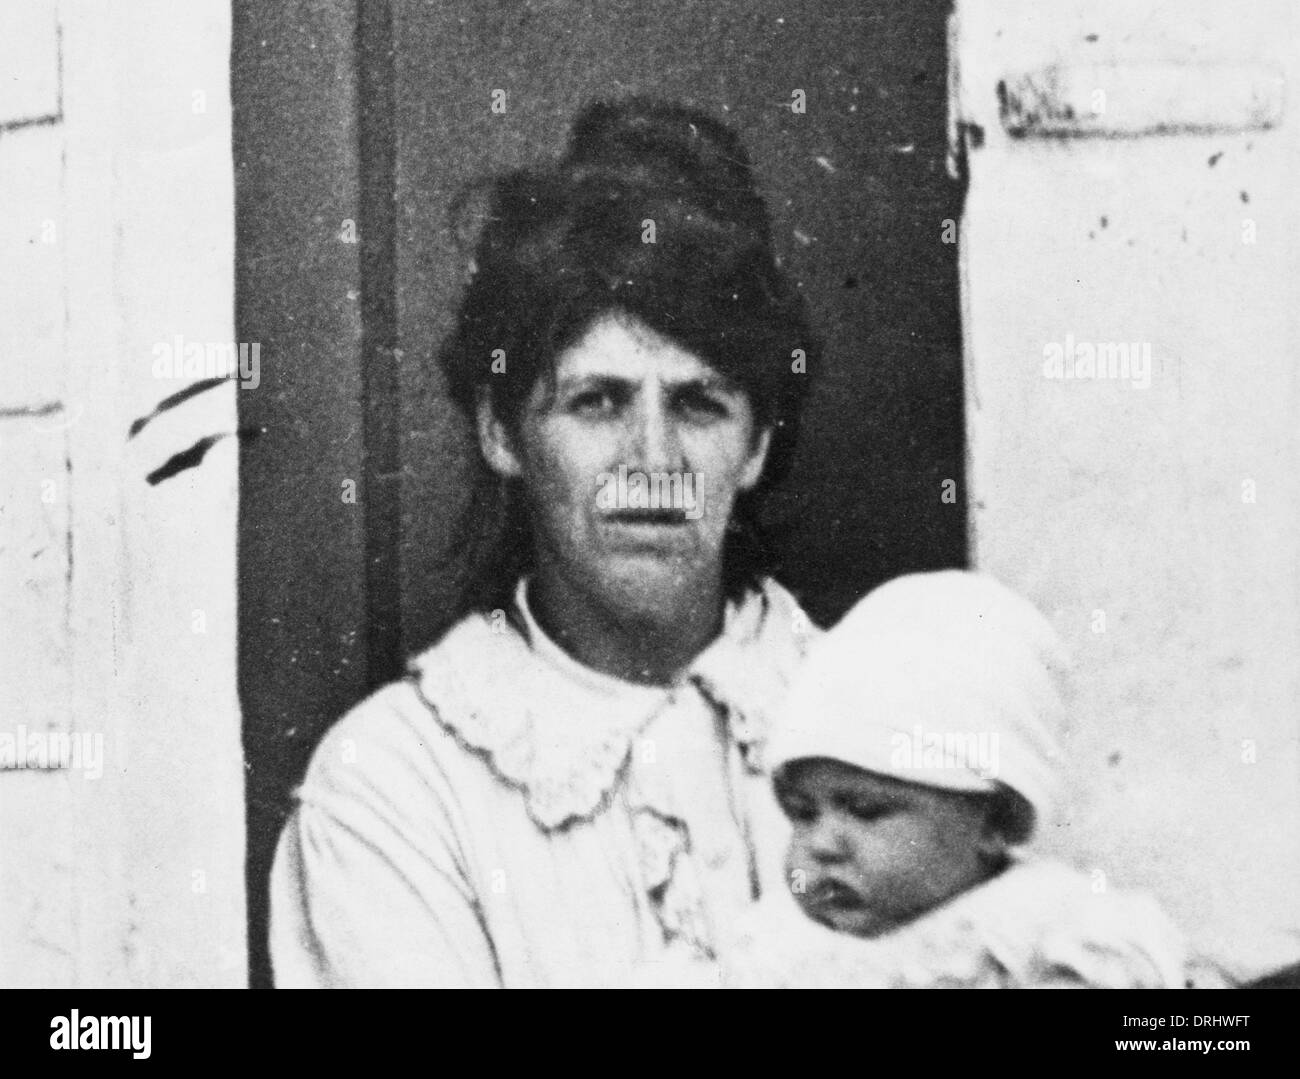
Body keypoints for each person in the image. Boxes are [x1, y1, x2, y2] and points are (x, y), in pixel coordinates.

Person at [268, 97, 822, 987]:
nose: (653, 463)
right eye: (596, 401)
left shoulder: (881, 731)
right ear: (502, 431)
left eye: (698, 402)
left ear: (757, 444)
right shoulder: (397, 787)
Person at [722, 570, 1229, 988]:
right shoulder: (781, 949)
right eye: (803, 814)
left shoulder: (1043, 927)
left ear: (995, 823)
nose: (822, 846)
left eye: (867, 810)